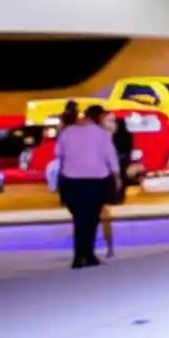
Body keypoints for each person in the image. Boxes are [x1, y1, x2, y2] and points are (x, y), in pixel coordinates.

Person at [56, 104, 120, 269]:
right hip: (96, 180)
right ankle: (89, 254)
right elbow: (110, 158)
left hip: (72, 180)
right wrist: (116, 177)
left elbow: (59, 155)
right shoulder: (102, 134)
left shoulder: (67, 132)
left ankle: (79, 256)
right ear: (99, 117)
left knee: (79, 219)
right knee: (92, 219)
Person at [111, 114, 134, 205]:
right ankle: (120, 197)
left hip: (119, 161)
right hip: (124, 161)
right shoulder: (128, 134)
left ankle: (116, 197)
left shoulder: (115, 135)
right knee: (122, 179)